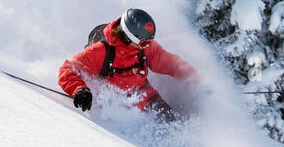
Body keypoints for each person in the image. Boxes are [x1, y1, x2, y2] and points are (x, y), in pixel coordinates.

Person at [58, 8, 198, 120]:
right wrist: (79, 90)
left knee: (175, 124)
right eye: (143, 42)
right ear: (129, 37)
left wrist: (195, 79)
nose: (148, 45)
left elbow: (171, 63)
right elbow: (67, 69)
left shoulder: (145, 48)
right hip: (118, 107)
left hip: (147, 98)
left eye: (148, 41)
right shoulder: (102, 51)